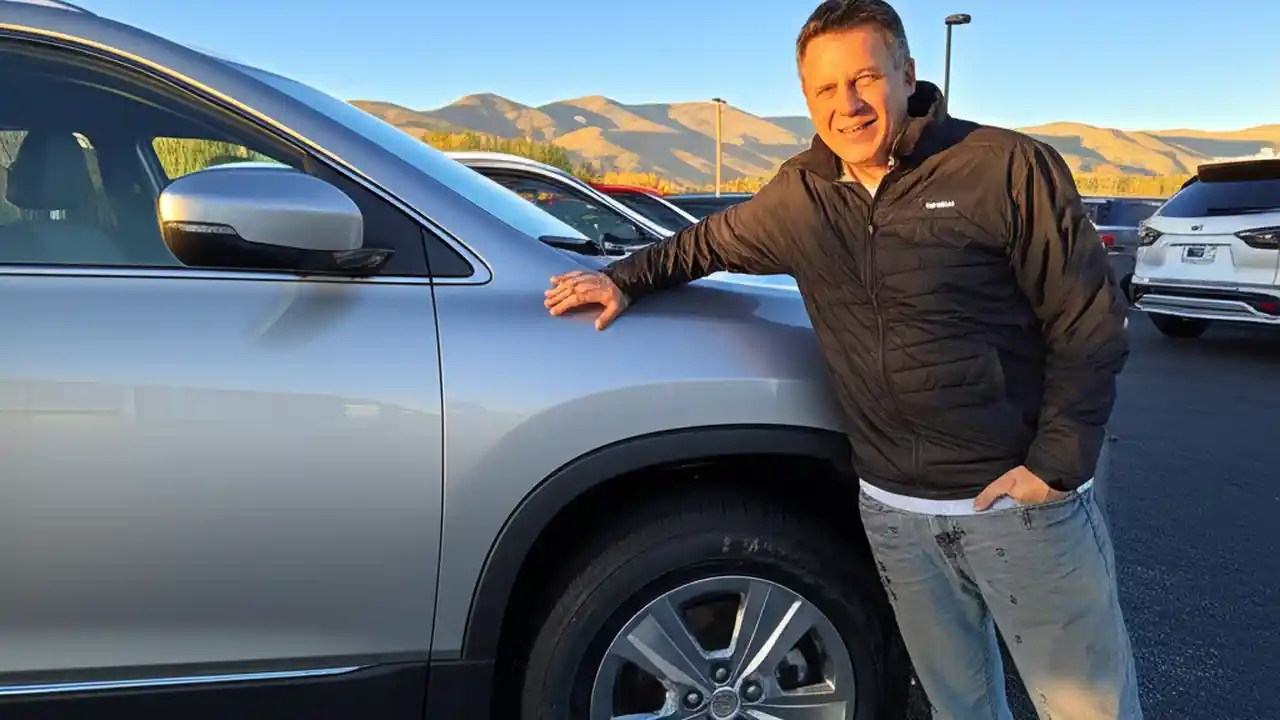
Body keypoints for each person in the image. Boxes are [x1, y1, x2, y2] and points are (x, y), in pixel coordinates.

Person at [543, 0, 1140, 718]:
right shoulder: (802, 194)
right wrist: (623, 279)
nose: (847, 105)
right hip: (894, 515)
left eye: (864, 78)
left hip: (1019, 512)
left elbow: (1088, 317)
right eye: (825, 89)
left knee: (1088, 711)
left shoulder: (1005, 168)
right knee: (960, 708)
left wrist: (1055, 465)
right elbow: (703, 244)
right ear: (806, 98)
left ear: (907, 73)